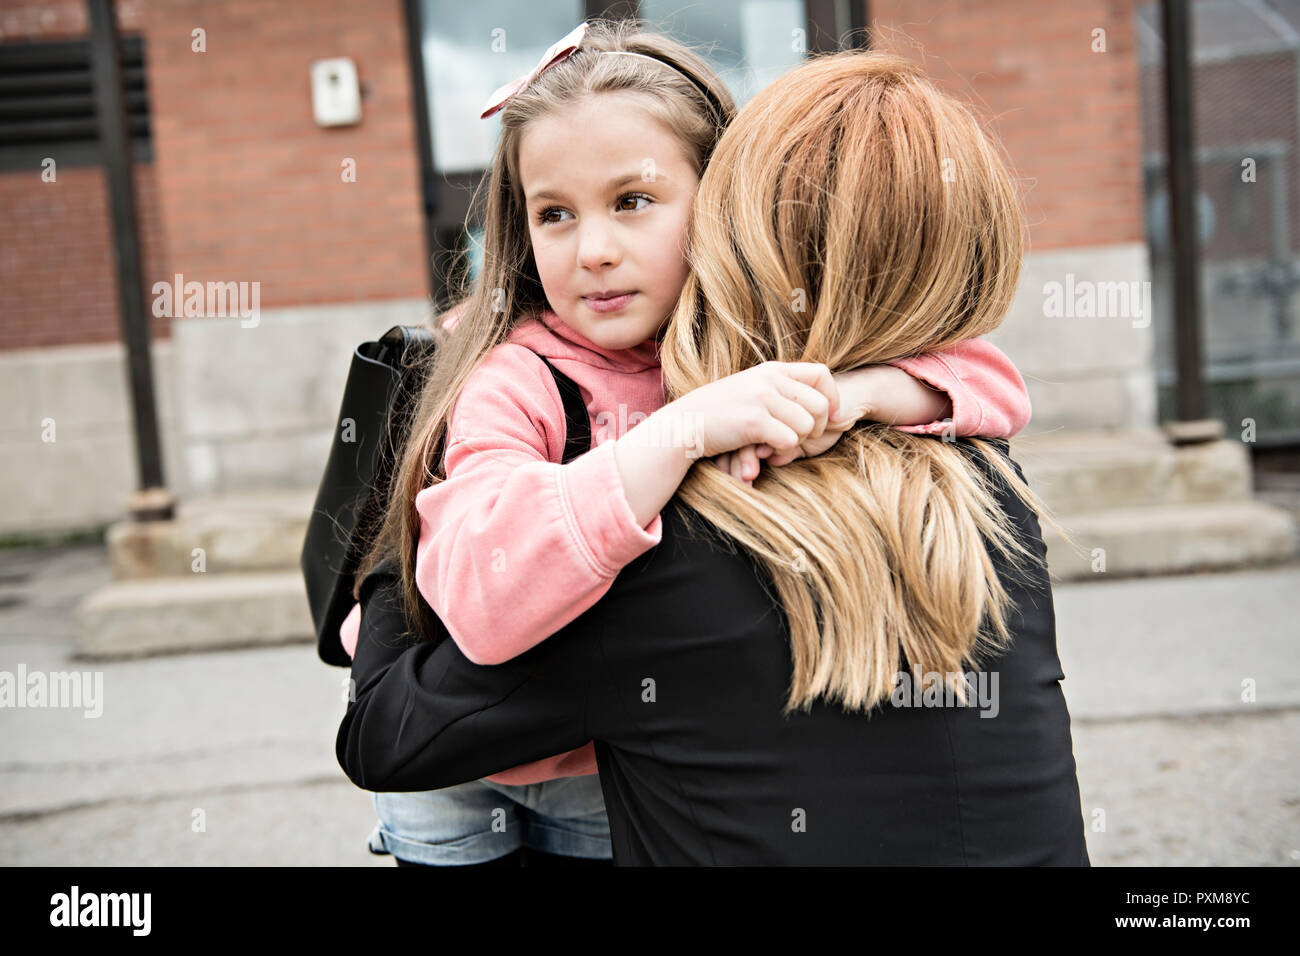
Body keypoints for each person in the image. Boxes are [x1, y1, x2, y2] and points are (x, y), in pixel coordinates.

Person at [336, 48, 1090, 866]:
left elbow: (986, 382)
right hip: (469, 768)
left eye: (633, 201)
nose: (592, 248)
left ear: (722, 203)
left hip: (596, 757)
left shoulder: (739, 339)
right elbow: (482, 601)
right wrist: (679, 432)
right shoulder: (514, 376)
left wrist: (856, 395)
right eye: (553, 214)